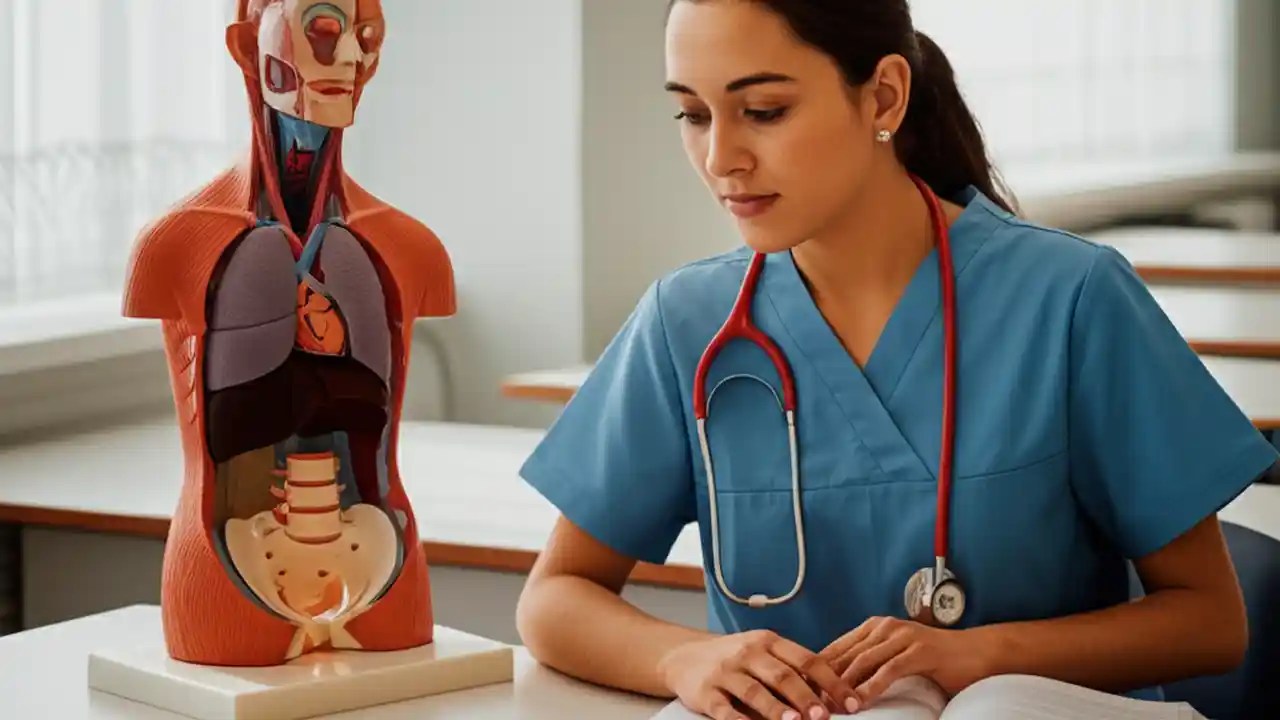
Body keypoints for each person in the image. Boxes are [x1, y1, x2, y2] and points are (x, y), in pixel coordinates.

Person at [513, 2, 1280, 719]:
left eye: (765, 112)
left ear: (882, 97)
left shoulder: (1072, 299)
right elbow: (556, 598)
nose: (721, 157)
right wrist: (685, 658)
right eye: (692, 114)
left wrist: (979, 657)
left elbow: (1211, 623)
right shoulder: (688, 324)